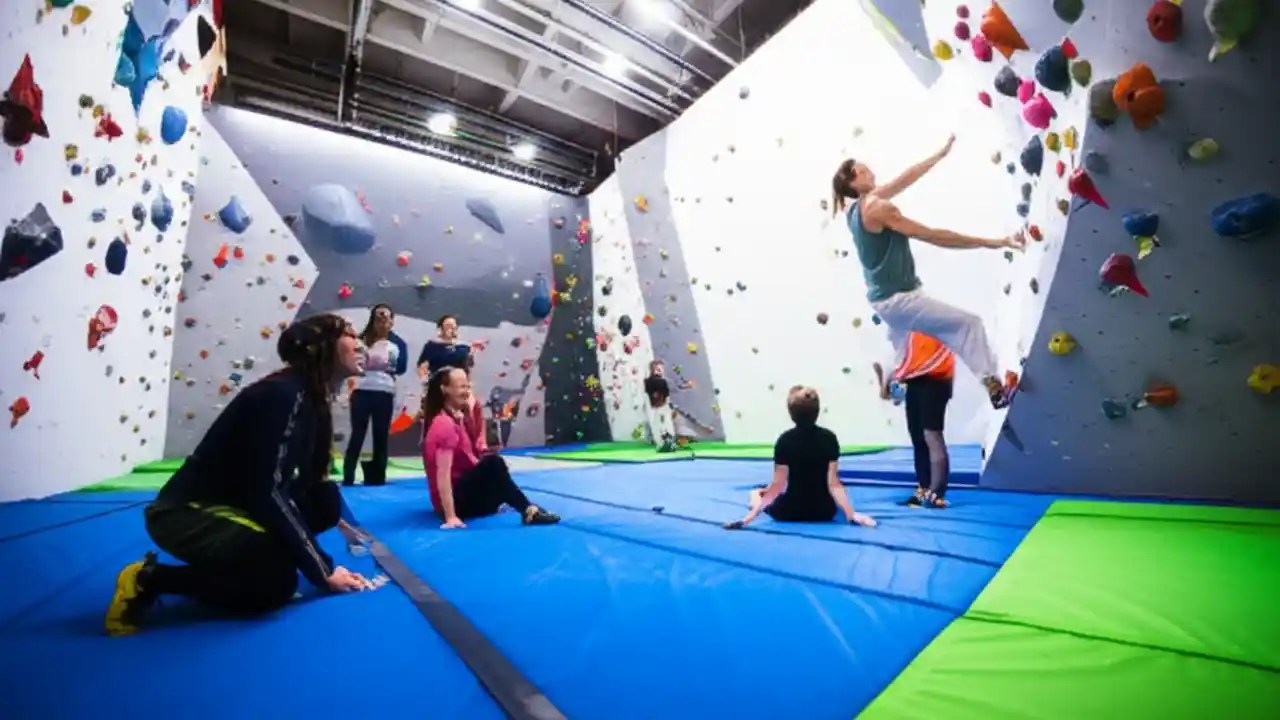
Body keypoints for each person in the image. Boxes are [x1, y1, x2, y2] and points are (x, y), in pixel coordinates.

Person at [105, 315, 377, 637]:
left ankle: (258, 557)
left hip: (241, 504)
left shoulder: (311, 398)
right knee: (275, 583)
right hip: (186, 513)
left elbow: (310, 482)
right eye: (349, 334)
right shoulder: (284, 394)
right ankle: (148, 578)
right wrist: (322, 570)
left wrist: (324, 549)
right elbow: (267, 491)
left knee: (325, 501)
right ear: (323, 347)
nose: (360, 342)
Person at [831, 134, 1024, 410]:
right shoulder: (878, 208)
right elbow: (934, 236)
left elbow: (905, 178)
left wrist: (939, 155)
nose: (869, 171)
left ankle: (891, 385)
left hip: (882, 299)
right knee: (967, 324)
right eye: (861, 172)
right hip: (900, 299)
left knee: (906, 351)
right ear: (852, 185)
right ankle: (995, 389)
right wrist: (994, 242)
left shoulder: (857, 210)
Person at [422, 367, 559, 528]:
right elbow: (442, 476)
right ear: (445, 389)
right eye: (461, 387)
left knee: (495, 466)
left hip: (464, 494)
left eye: (468, 386)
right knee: (493, 464)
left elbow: (472, 453)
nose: (467, 392)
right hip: (456, 503)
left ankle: (527, 508)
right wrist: (450, 516)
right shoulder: (443, 424)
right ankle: (528, 509)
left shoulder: (458, 418)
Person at [725, 386, 876, 529]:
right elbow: (834, 484)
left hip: (791, 511)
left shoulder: (785, 440)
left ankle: (754, 499)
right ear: (817, 411)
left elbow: (777, 487)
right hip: (823, 511)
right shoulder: (829, 438)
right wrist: (851, 514)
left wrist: (748, 518)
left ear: (791, 414)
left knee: (757, 492)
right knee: (766, 491)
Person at [874, 332, 955, 508]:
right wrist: (889, 381)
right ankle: (924, 487)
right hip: (914, 380)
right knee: (917, 436)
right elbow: (899, 354)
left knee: (931, 435)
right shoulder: (905, 328)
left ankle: (937, 493)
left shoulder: (934, 324)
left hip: (936, 380)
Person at [344, 304, 401, 486]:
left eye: (387, 317)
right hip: (362, 391)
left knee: (381, 435)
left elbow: (396, 369)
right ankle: (349, 475)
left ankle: (378, 476)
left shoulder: (395, 346)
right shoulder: (361, 342)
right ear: (373, 320)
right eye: (379, 317)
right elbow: (355, 365)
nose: (383, 321)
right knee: (358, 434)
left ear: (392, 321)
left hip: (384, 392)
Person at [416, 314, 470, 379]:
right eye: (448, 326)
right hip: (435, 383)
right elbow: (422, 368)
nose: (452, 329)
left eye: (454, 326)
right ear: (441, 328)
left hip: (457, 383)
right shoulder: (431, 346)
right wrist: (425, 380)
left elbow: (467, 369)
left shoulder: (463, 347)